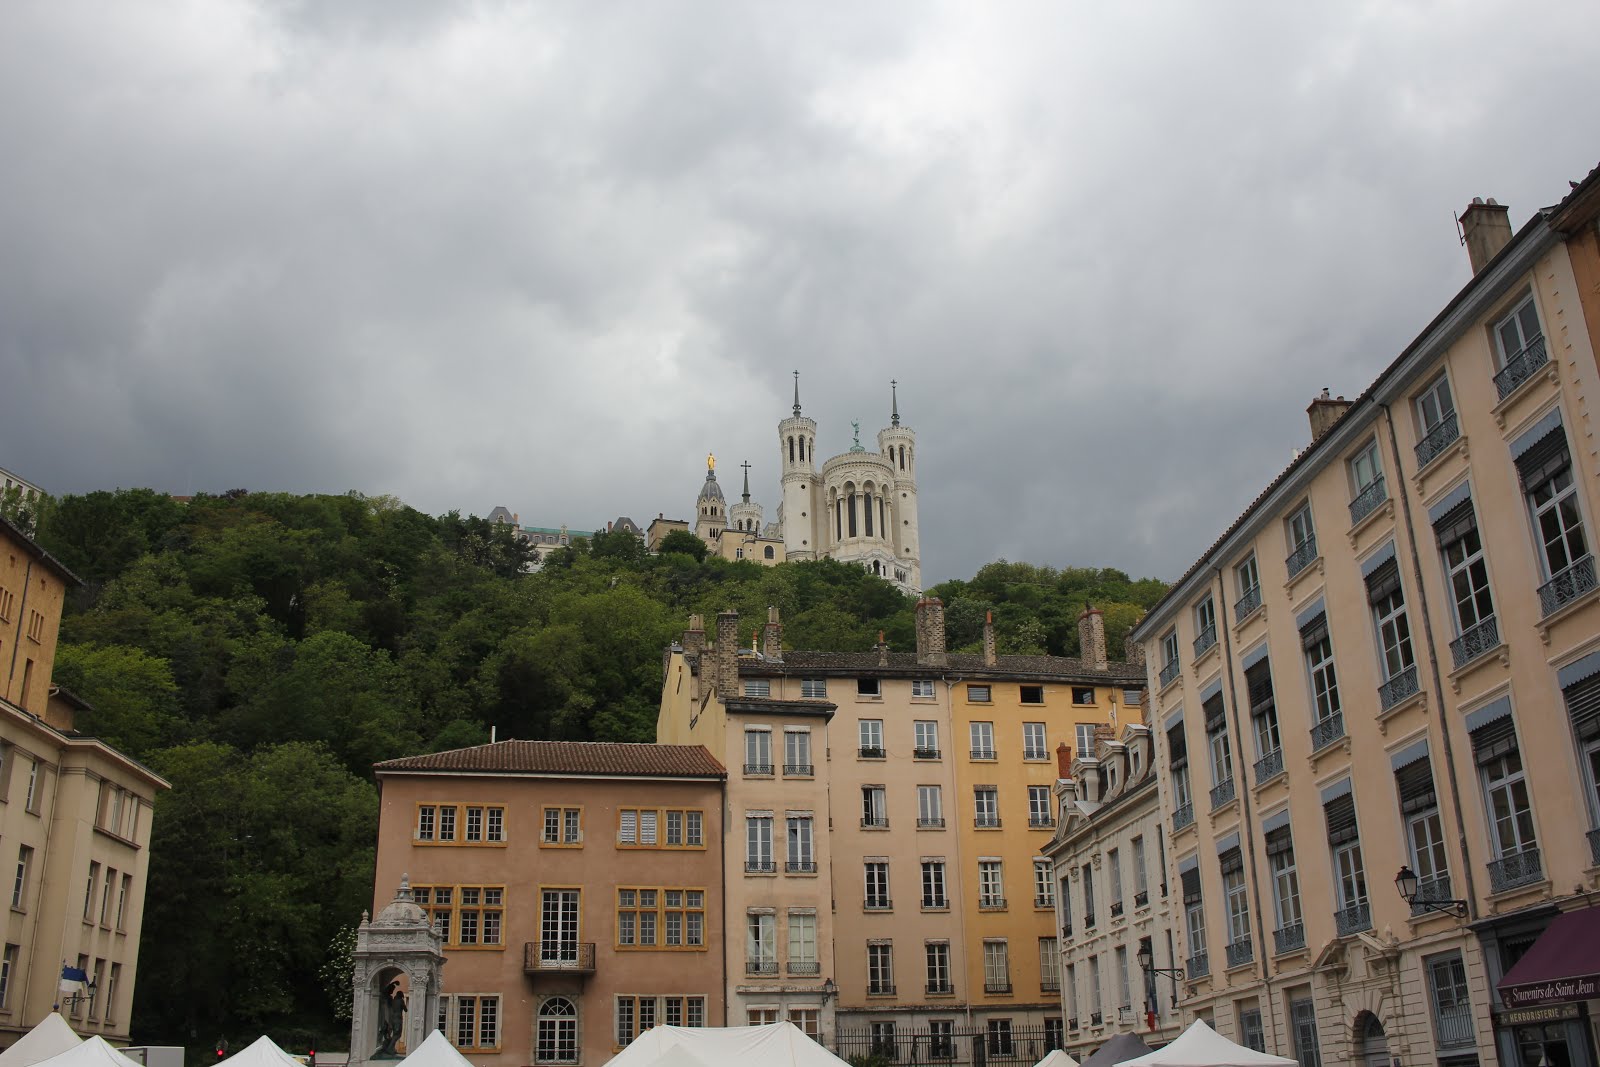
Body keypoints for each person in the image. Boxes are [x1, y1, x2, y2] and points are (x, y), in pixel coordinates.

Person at [374, 980, 407, 1056]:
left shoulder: (392, 999)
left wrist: (394, 983)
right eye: (392, 989)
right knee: (396, 1034)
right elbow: (405, 1009)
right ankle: (389, 1048)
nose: (392, 991)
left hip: (391, 1017)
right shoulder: (393, 999)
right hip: (394, 1018)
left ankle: (389, 1048)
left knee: (390, 1033)